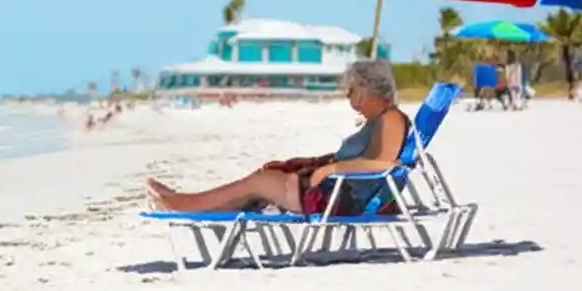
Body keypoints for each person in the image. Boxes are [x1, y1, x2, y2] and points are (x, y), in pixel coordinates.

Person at [146, 61, 409, 216]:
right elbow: (367, 159)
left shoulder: (391, 119)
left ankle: (185, 204)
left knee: (258, 183)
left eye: (353, 91)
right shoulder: (380, 120)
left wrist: (333, 168)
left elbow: (385, 165)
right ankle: (189, 203)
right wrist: (310, 162)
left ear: (369, 90)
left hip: (341, 199)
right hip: (336, 190)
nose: (350, 99)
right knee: (261, 181)